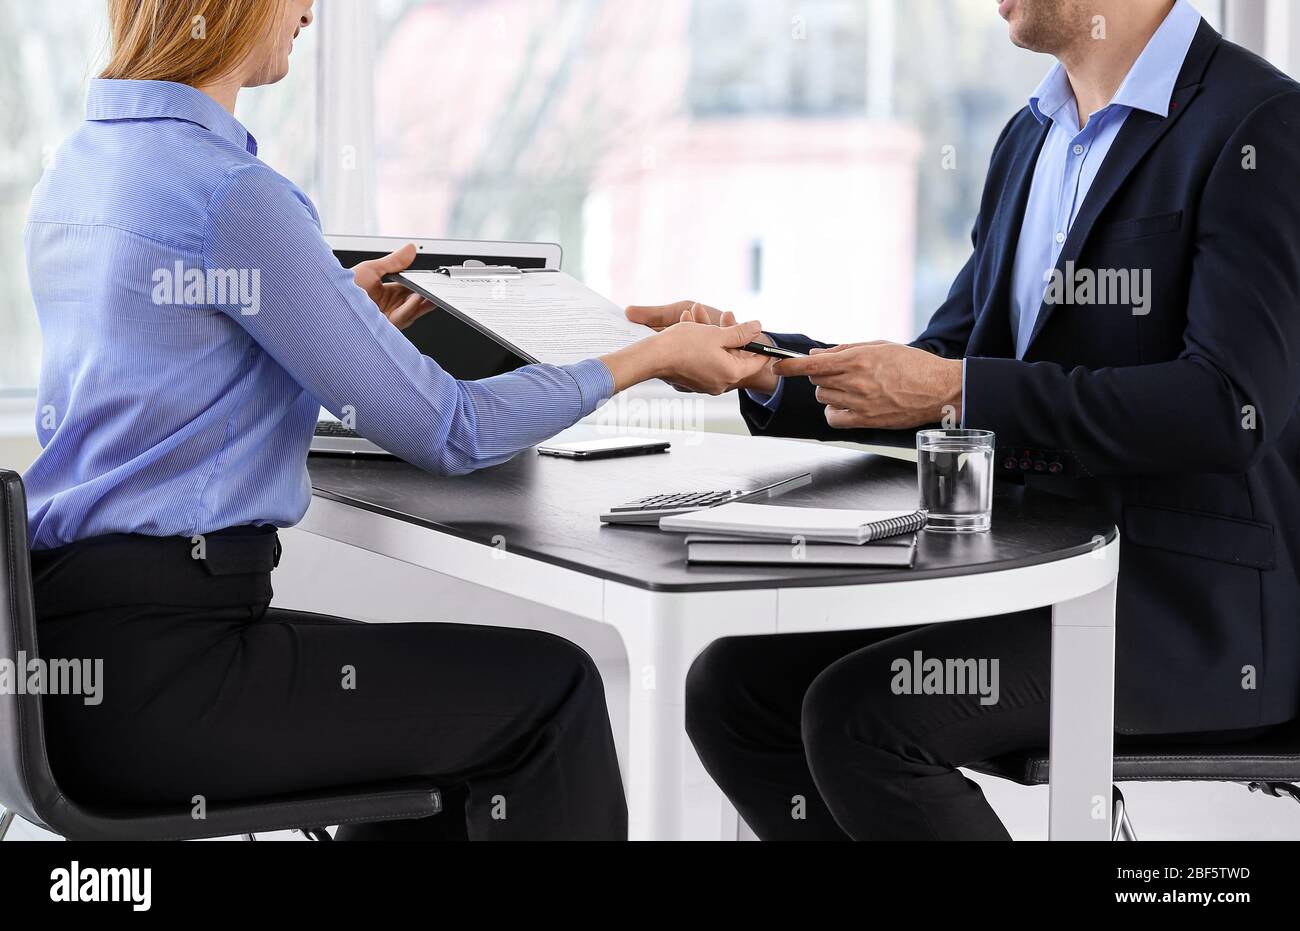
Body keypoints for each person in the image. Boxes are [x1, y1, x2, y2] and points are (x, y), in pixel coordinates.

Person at [25, 0, 770, 841]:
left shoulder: (81, 168)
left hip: (73, 668)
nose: (308, 10)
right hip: (167, 684)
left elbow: (165, 385)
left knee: (438, 732)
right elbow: (451, 429)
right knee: (551, 694)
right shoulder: (233, 194)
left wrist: (339, 322)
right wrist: (651, 357)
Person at [630, 0, 1300, 840]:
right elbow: (942, 362)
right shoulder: (1031, 138)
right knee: (733, 688)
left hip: (1184, 608)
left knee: (861, 716)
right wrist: (768, 368)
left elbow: (1224, 407)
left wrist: (960, 390)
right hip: (1020, 573)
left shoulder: (1260, 125)